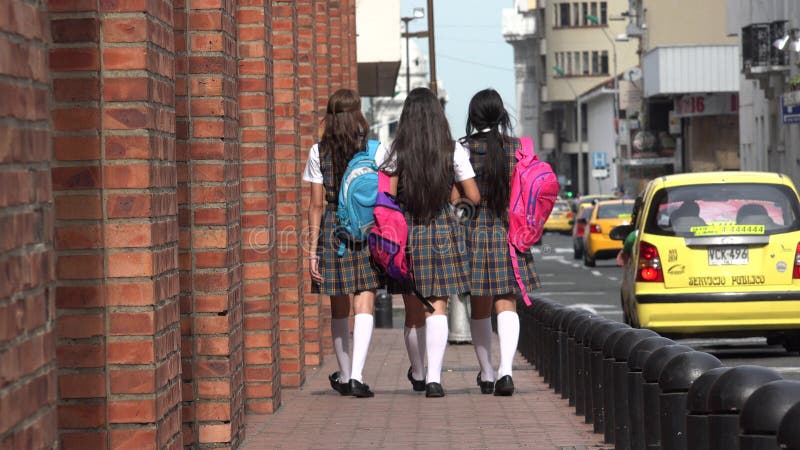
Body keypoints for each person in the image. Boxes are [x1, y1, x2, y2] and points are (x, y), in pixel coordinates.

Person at [381, 87, 480, 398]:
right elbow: (473, 196)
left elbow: (387, 196)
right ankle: (435, 379)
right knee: (438, 307)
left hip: (406, 230)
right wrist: (454, 202)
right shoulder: (452, 149)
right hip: (442, 229)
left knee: (413, 313)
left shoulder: (395, 150)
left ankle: (419, 373)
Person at [303, 88, 388, 398]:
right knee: (364, 302)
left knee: (338, 307)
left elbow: (315, 205)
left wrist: (312, 252)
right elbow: (387, 197)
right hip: (367, 230)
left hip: (332, 230)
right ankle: (357, 376)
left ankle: (344, 371)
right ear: (358, 114)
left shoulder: (318, 152)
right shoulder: (375, 150)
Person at [459, 88, 541, 396]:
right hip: (510, 231)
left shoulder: (463, 148)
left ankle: (487, 373)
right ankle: (507, 371)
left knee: (479, 306)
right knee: (507, 303)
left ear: (473, 116)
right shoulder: (517, 148)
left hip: (473, 231)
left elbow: (457, 195)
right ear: (500, 114)